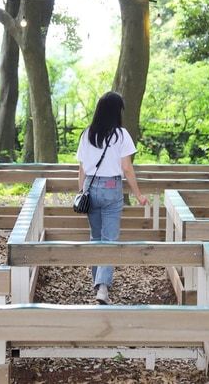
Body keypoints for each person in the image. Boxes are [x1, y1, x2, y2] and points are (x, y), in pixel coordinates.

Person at [76, 91, 149, 305]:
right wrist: (138, 194)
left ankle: (98, 283)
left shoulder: (87, 134)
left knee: (95, 237)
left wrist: (82, 193)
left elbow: (81, 169)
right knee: (109, 240)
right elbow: (127, 168)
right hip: (111, 188)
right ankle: (103, 288)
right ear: (117, 111)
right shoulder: (121, 135)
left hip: (90, 188)